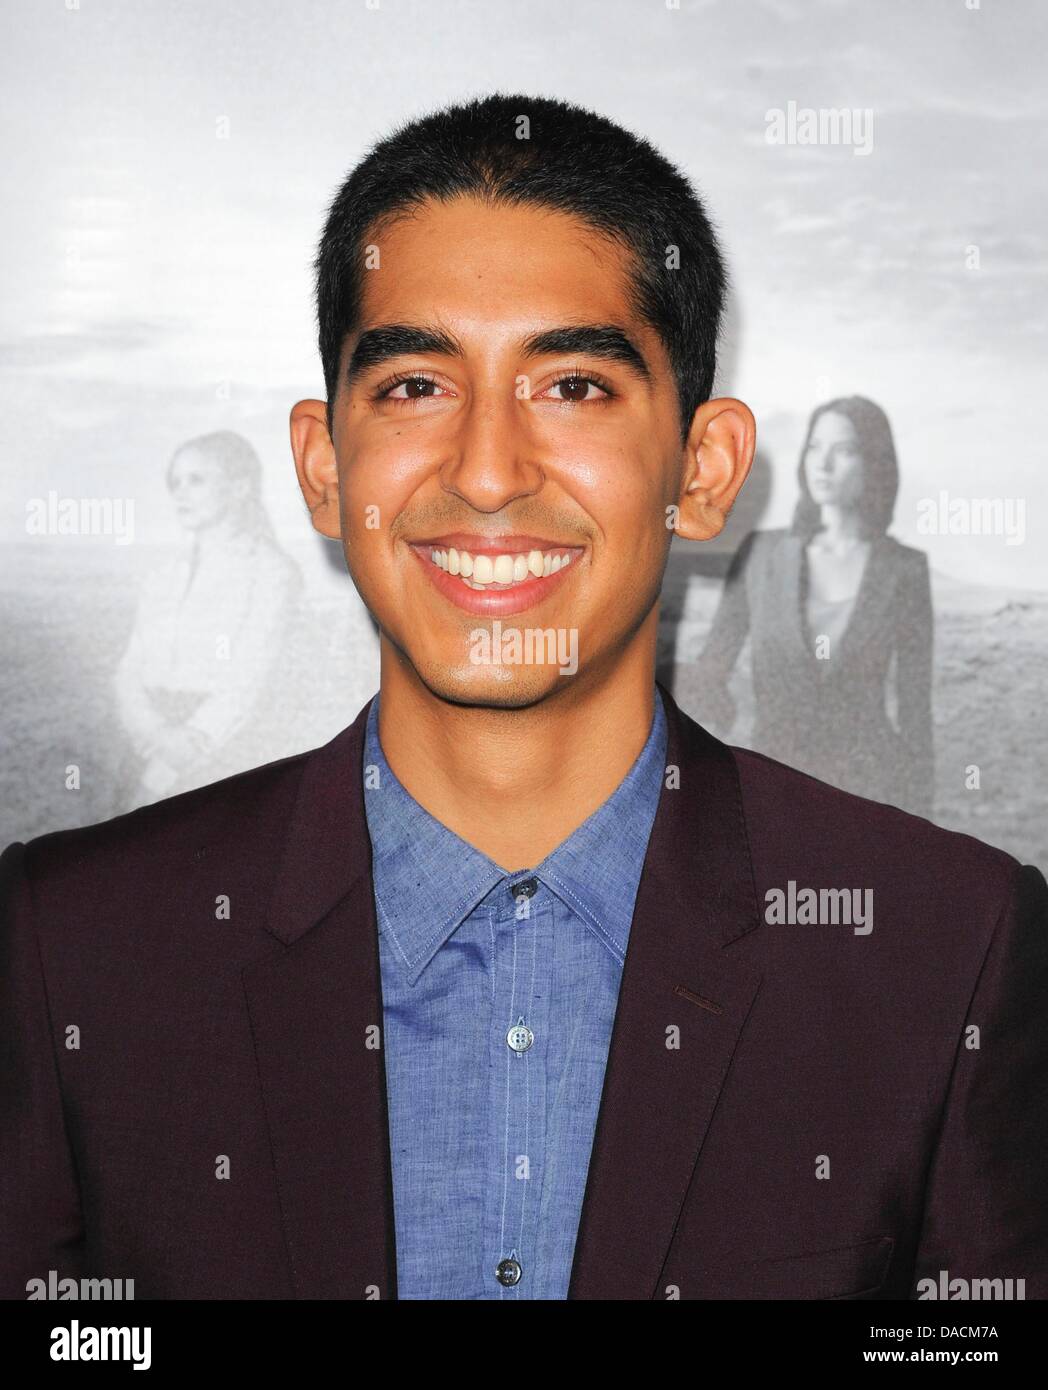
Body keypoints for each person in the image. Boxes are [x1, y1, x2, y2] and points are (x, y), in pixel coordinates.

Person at [2, 93, 1046, 1302]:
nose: (488, 472)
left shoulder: (947, 951)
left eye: (575, 388)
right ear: (324, 468)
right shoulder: (69, 950)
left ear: (701, 474)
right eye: (413, 387)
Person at [693, 397, 935, 818]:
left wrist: (920, 812)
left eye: (844, 450)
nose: (823, 464)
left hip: (872, 793)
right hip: (769, 794)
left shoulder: (905, 569)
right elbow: (711, 669)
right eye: (814, 447)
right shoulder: (760, 555)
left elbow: (916, 706)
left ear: (874, 463)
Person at [112, 431, 304, 807]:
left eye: (196, 480)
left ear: (239, 487)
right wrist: (151, 732)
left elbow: (247, 683)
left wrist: (165, 770)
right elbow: (128, 670)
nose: (180, 492)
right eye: (175, 482)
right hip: (144, 744)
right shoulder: (163, 574)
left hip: (215, 753)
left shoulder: (272, 573)